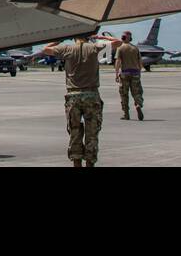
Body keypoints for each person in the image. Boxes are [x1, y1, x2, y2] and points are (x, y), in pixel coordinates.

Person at [42, 32, 122, 167]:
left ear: (74, 37)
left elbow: (45, 50)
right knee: (92, 132)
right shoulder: (95, 47)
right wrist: (102, 38)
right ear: (88, 37)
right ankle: (90, 163)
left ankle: (76, 162)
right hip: (91, 95)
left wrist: (59, 39)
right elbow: (118, 42)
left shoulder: (67, 49)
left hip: (73, 96)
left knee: (75, 131)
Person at [114, 30, 144, 120]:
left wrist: (116, 74)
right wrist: (139, 72)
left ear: (122, 38)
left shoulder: (120, 48)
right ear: (130, 38)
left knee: (124, 94)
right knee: (137, 92)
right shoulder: (135, 48)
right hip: (135, 73)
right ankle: (138, 104)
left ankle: (126, 114)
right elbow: (140, 63)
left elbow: (118, 61)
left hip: (125, 73)